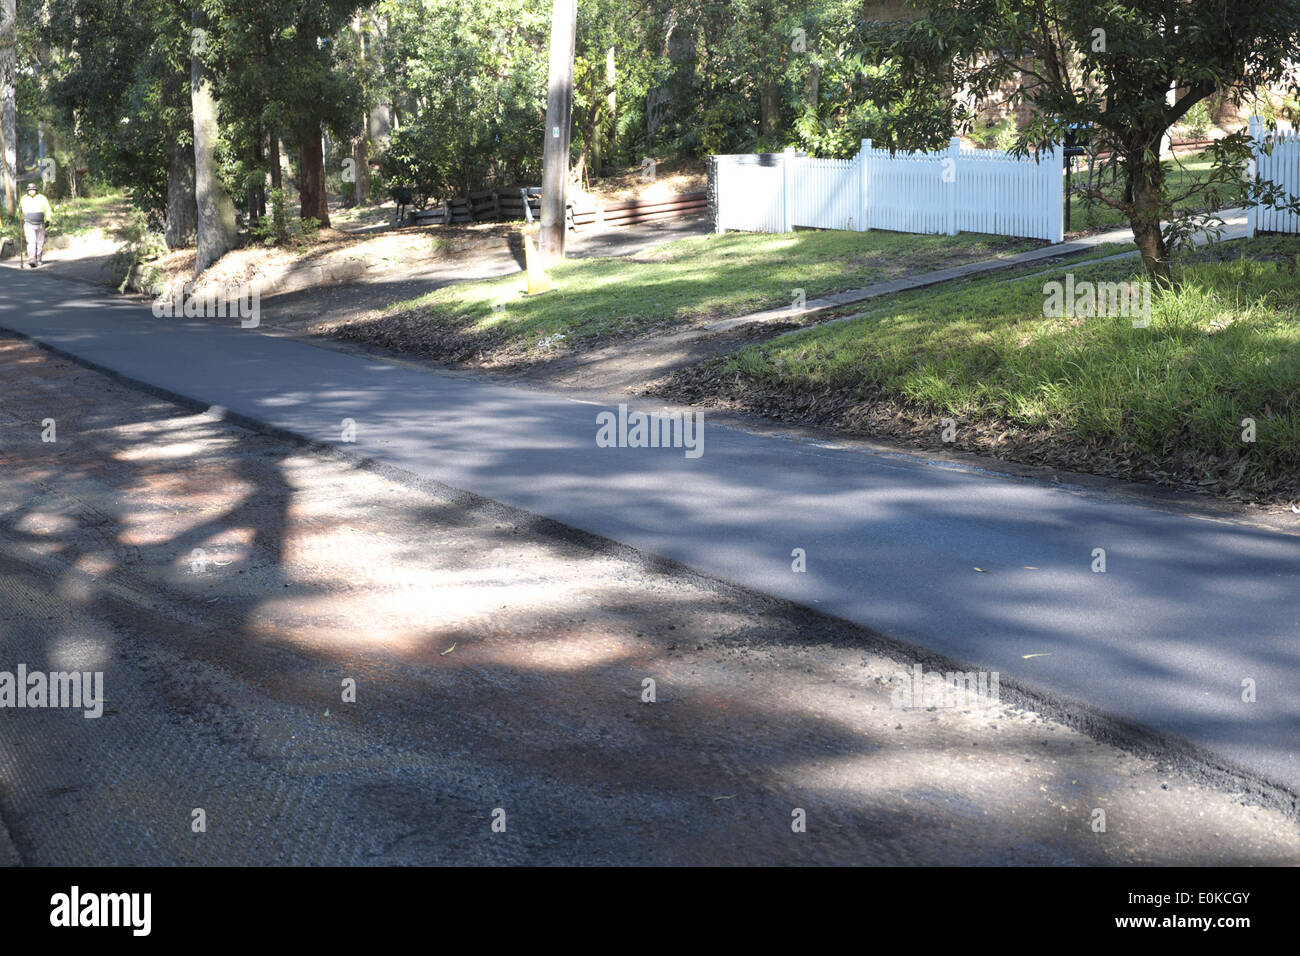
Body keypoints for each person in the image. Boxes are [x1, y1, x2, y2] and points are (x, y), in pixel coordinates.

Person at [19, 182, 54, 267]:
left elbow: (47, 209)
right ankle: (32, 258)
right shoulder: (24, 199)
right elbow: (19, 211)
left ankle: (38, 258)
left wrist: (48, 220)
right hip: (28, 223)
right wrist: (19, 210)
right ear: (27, 191)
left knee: (40, 242)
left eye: (33, 190)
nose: (31, 191)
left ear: (36, 190)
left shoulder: (42, 198)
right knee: (31, 241)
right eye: (29, 190)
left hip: (40, 223)